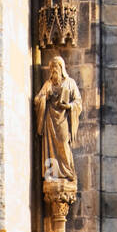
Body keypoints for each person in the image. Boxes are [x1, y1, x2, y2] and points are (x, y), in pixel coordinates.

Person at [34, 54, 82, 196]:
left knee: (63, 144)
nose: (54, 70)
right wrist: (44, 97)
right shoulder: (48, 84)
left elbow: (78, 102)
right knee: (51, 146)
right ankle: (53, 174)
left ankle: (68, 173)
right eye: (52, 68)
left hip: (63, 120)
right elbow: (37, 100)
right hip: (50, 121)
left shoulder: (70, 83)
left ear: (61, 68)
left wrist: (69, 106)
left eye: (56, 67)